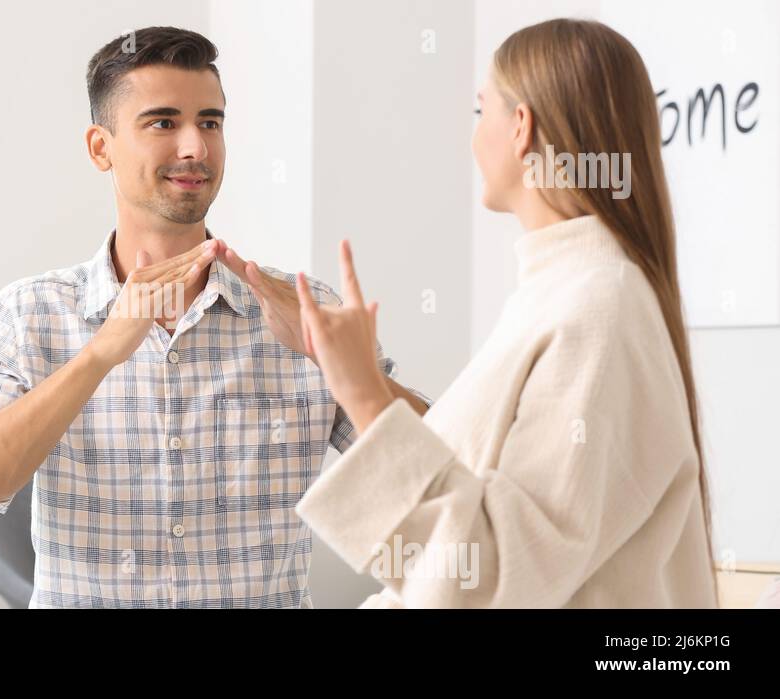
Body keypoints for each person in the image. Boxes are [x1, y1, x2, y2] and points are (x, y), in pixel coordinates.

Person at [0, 26, 429, 608]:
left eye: (210, 122)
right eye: (163, 122)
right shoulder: (31, 313)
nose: (196, 147)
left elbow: (440, 474)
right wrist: (99, 355)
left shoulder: (302, 310)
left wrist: (346, 369)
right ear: (100, 147)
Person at [285, 18, 718, 607]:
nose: (471, 138)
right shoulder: (564, 294)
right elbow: (470, 528)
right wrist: (355, 380)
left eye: (479, 112)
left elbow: (493, 582)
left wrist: (362, 391)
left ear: (521, 128)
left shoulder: (597, 309)